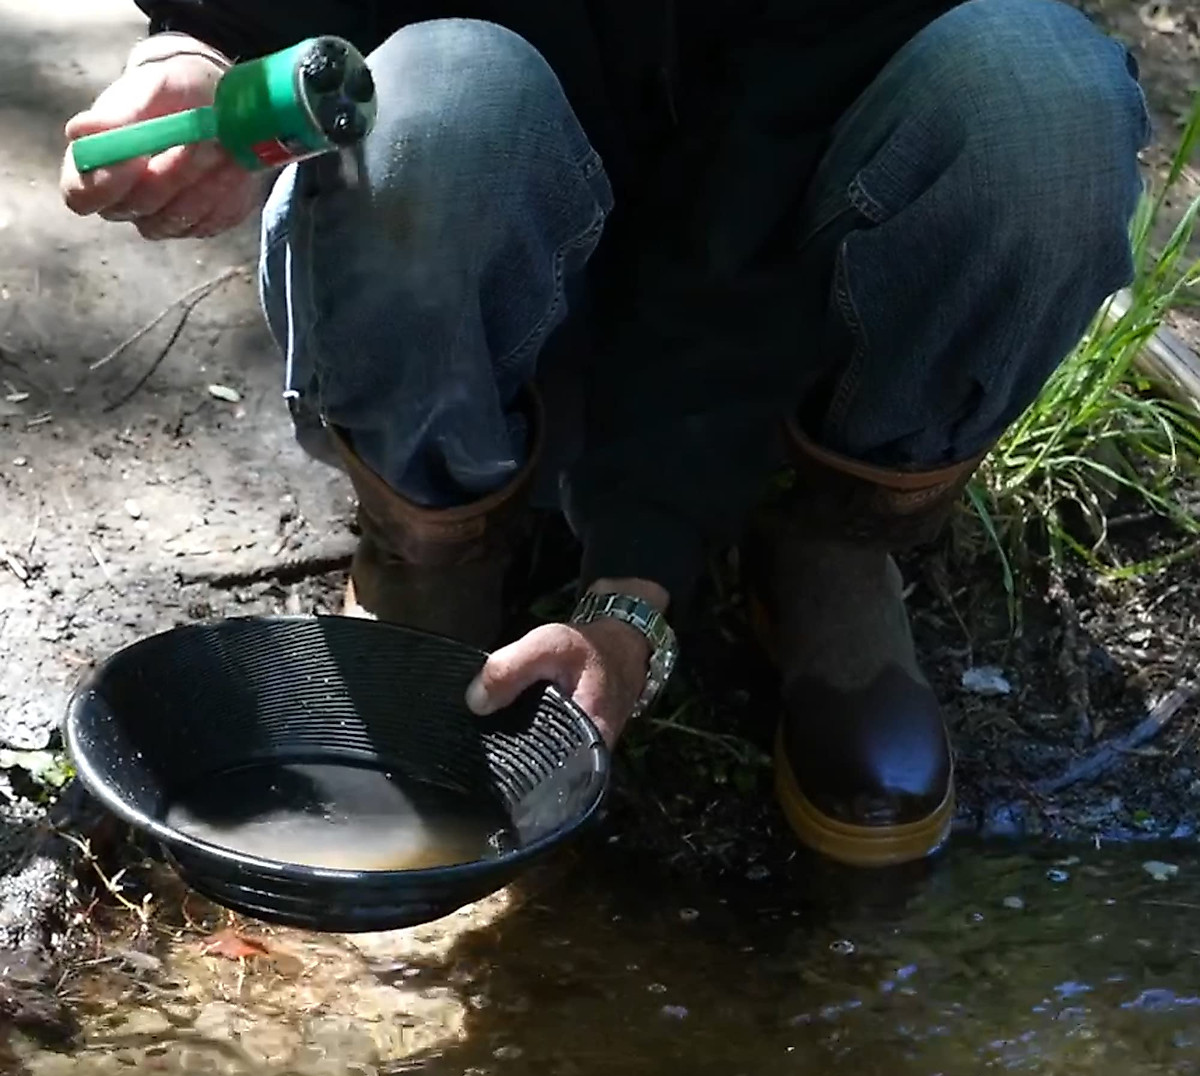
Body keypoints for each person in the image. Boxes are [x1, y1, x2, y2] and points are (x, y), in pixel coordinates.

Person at [60, 0, 1150, 868]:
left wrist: (635, 581)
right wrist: (208, 45)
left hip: (781, 302)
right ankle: (434, 541)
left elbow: (736, 215)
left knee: (1041, 100)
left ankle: (830, 535)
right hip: (483, 292)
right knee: (437, 100)